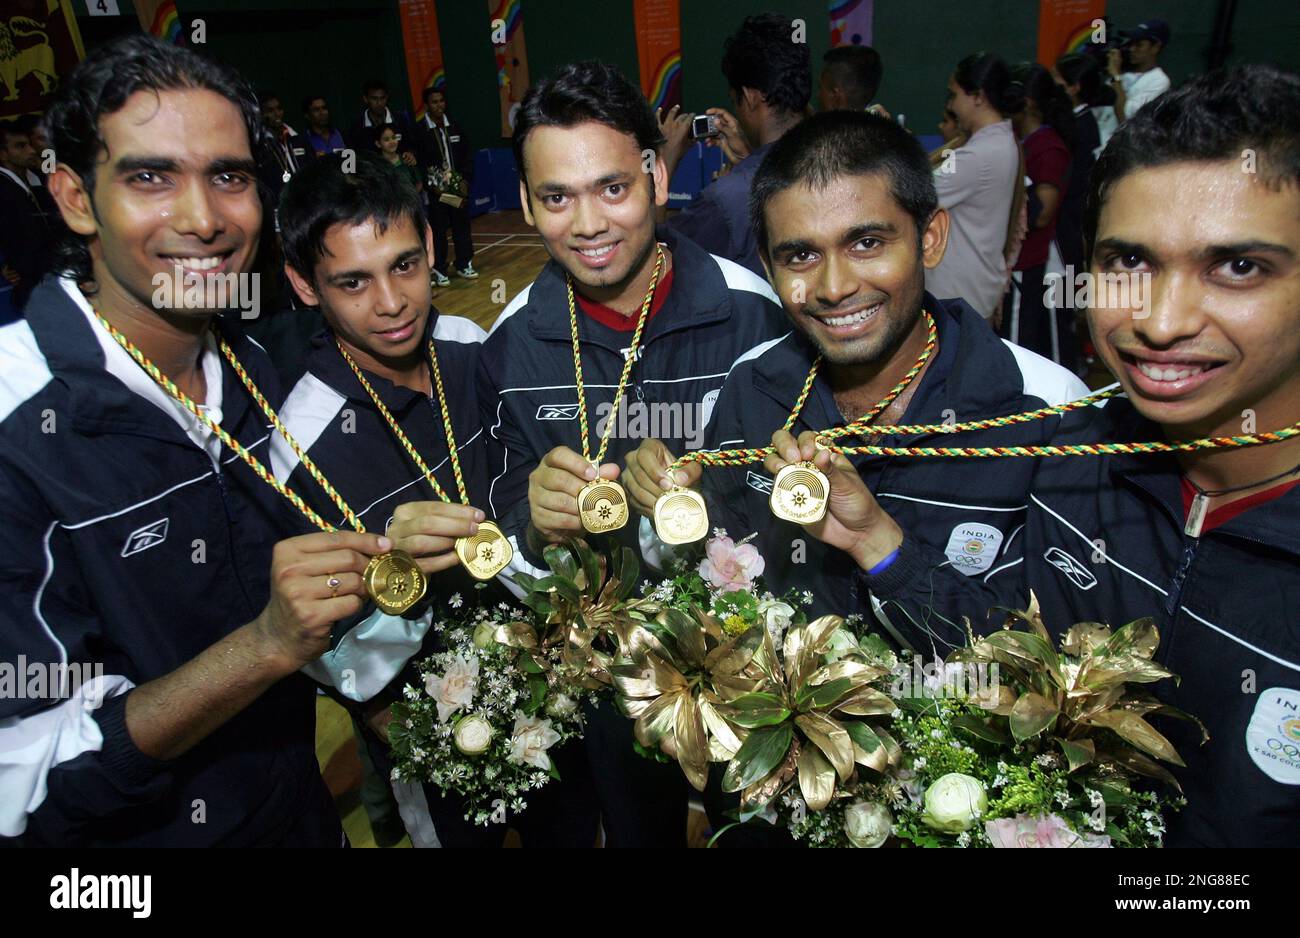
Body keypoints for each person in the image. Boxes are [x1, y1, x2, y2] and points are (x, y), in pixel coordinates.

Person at [786, 64, 1300, 848]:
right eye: (1128, 262)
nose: (1159, 321)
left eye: (1236, 267)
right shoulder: (1068, 452)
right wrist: (876, 543)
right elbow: (1010, 662)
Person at [628, 110, 1085, 844]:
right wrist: (661, 504)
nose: (835, 285)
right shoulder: (754, 386)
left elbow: (1053, 681)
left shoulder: (1045, 410)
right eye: (799, 256)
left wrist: (884, 547)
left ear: (929, 237)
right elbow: (703, 574)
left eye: (867, 242)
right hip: (775, 800)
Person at [0, 34, 392, 846]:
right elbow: (25, 783)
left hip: (296, 814)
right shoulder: (18, 420)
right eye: (150, 176)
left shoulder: (251, 368)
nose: (203, 218)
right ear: (75, 198)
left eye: (228, 177)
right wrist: (263, 648)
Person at [478, 60, 787, 847]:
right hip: (605, 681)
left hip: (753, 661)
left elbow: (793, 496)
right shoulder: (510, 347)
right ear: (526, 202)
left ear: (655, 174)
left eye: (611, 187)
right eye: (556, 197)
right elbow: (499, 525)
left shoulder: (752, 313)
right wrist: (534, 524)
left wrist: (712, 496)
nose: (587, 223)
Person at [661, 13, 811, 277]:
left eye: (735, 100)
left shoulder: (726, 198)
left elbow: (658, 263)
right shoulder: (848, 160)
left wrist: (665, 160)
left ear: (750, 97)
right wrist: (750, 160)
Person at [925, 52, 1023, 321]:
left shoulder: (979, 155)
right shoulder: (999, 142)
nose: (952, 105)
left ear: (978, 97)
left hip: (960, 293)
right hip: (973, 286)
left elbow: (916, 193)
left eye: (954, 95)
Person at [1003, 63, 1076, 371]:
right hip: (1027, 260)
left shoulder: (1046, 146)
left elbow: (1043, 212)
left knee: (1040, 346)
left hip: (1043, 262)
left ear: (1028, 102)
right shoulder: (1024, 143)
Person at [414, 86, 477, 285]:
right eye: (434, 102)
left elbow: (466, 154)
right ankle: (440, 268)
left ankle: (464, 263)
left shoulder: (455, 126)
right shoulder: (419, 131)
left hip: (456, 187)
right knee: (439, 230)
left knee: (461, 225)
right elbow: (419, 160)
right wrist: (430, 183)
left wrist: (465, 179)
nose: (439, 105)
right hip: (435, 190)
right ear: (427, 105)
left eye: (441, 101)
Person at [0, 119, 55, 308]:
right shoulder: (3, 189)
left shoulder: (37, 177)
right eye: (20, 146)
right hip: (30, 284)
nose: (31, 151)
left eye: (30, 144)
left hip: (54, 276)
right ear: (3, 154)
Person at [1108, 18, 1171, 124]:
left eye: (1139, 45)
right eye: (1131, 44)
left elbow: (1125, 119)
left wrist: (1115, 76)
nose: (1132, 49)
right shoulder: (1123, 72)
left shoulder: (1160, 81)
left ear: (1155, 47)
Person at [256, 90, 311, 203]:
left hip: (305, 202)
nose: (277, 113)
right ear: (261, 114)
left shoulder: (297, 139)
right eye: (270, 111)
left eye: (279, 109)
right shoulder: (260, 145)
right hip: (278, 204)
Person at [347, 78, 418, 159]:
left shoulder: (400, 119)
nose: (379, 103)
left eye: (382, 98)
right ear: (365, 99)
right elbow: (353, 154)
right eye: (374, 99)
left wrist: (411, 153)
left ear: (387, 98)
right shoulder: (357, 125)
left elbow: (412, 144)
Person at [818, 44, 883, 112]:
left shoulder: (813, 122)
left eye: (820, 88)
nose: (818, 96)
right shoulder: (879, 121)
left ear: (836, 97)